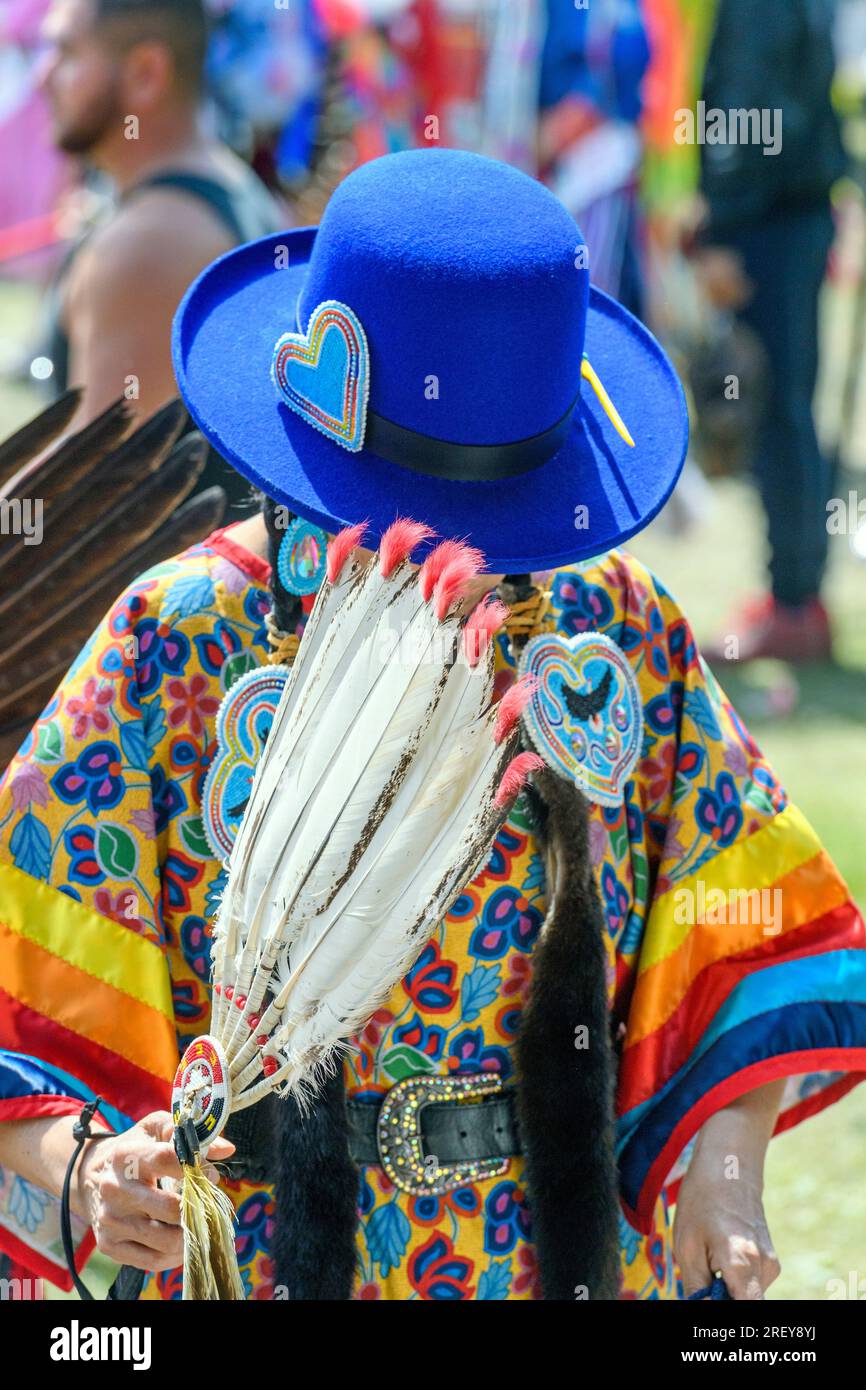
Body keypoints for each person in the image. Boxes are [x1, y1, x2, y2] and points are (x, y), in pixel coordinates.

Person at [0, 150, 864, 1301]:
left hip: (553, 1256)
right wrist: (88, 1170)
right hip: (253, 1261)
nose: (465, 569)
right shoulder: (180, 641)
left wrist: (720, 1169)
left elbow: (735, 936)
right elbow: (25, 1011)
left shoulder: (614, 633)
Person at [37, 0, 283, 508]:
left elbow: (87, 509)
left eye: (66, 52)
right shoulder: (230, 185)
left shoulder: (148, 244)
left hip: (146, 588)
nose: (43, 77)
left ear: (145, 73)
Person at [692, 0, 846, 663]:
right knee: (789, 407)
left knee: (778, 411)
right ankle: (797, 595)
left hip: (768, 217)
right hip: (794, 207)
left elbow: (749, 103)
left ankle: (792, 604)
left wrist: (719, 222)